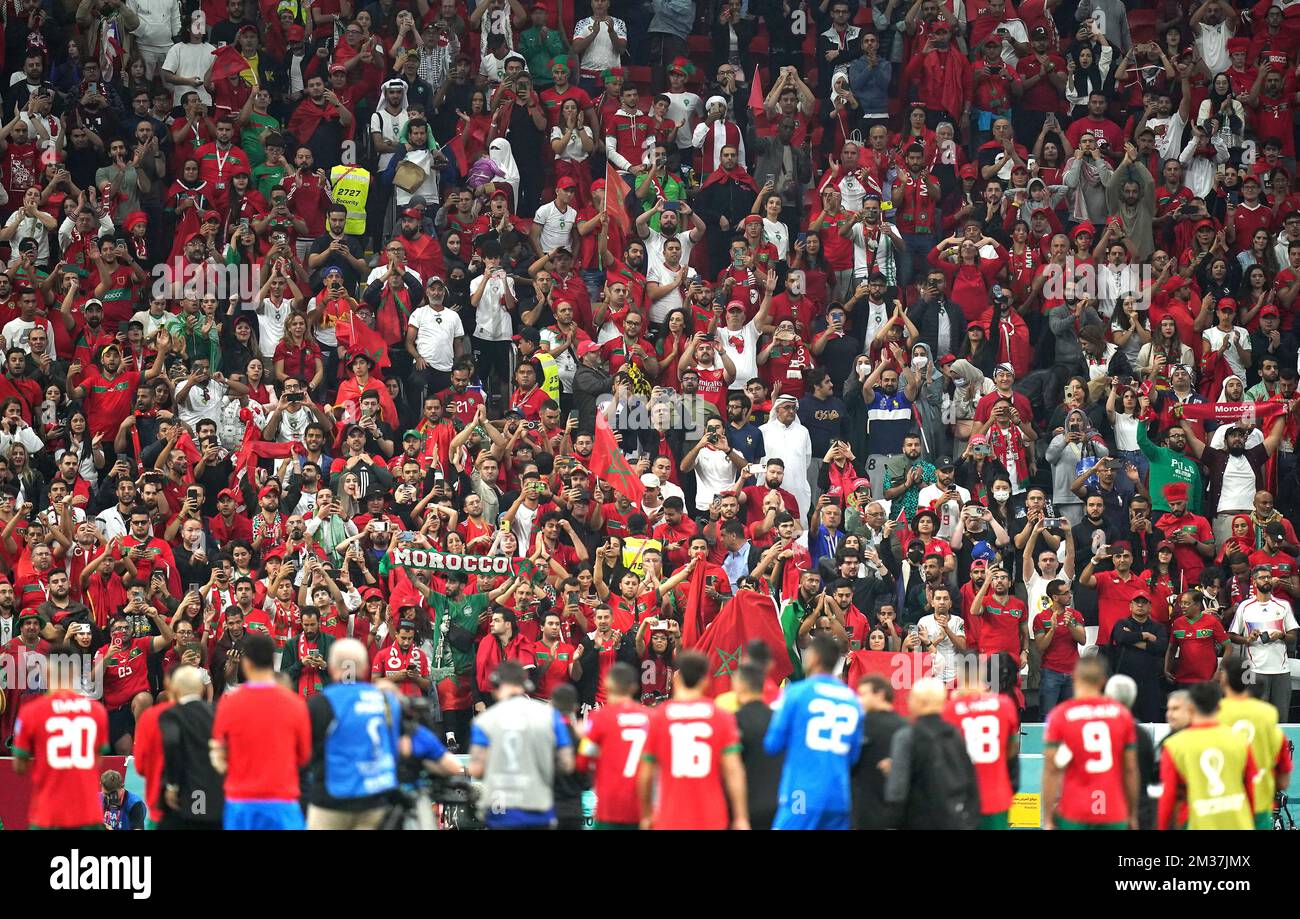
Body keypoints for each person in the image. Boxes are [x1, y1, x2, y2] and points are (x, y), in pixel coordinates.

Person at [307, 638, 463, 830]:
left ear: (331, 667)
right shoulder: (387, 702)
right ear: (365, 668)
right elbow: (406, 746)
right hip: (376, 802)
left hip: (331, 803)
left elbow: (303, 754)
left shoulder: (319, 703)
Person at [209, 633, 312, 831]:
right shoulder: (296, 704)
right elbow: (304, 756)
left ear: (246, 664)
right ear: (272, 659)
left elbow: (219, 757)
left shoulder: (228, 705)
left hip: (241, 802)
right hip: (282, 800)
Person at [638, 650, 748, 830]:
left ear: (676, 678)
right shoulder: (721, 717)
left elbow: (645, 773)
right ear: (706, 680)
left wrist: (646, 814)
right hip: (711, 818)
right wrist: (741, 817)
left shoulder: (658, 717)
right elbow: (734, 771)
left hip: (670, 818)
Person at [763, 635, 862, 830]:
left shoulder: (797, 692)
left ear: (814, 658)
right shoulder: (852, 700)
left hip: (802, 793)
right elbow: (854, 756)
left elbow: (772, 744)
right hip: (839, 796)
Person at [11, 647, 110, 830]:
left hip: (48, 812)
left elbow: (19, 766)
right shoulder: (97, 711)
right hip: (87, 811)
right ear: (74, 673)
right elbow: (97, 760)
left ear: (45, 672)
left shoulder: (30, 712)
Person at [468, 660, 575, 829]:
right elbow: (566, 764)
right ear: (525, 685)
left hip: (499, 809)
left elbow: (476, 769)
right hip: (537, 806)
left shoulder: (484, 721)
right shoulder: (550, 716)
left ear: (496, 685)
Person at [1042, 656, 1139, 830]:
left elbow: (1052, 769)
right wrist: (1132, 814)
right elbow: (1130, 769)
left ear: (1075, 676)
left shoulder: (1060, 715)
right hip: (1113, 810)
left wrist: (1048, 817)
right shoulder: (1122, 715)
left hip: (1074, 810)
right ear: (1103, 680)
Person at [883, 677, 981, 830]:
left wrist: (891, 821)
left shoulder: (906, 736)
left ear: (920, 702)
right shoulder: (955, 735)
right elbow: (970, 780)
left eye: (911, 697)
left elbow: (897, 790)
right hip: (952, 818)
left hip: (917, 819)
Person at [1157, 680, 1256, 831]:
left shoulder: (1174, 745)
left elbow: (1168, 795)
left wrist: (1162, 826)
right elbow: (1251, 785)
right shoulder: (1240, 740)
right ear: (1219, 707)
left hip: (1196, 821)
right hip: (1237, 821)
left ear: (1190, 708)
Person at [942, 655, 1020, 829]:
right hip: (996, 796)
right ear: (984, 674)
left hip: (962, 799)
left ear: (960, 676)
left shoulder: (950, 710)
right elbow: (1012, 751)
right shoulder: (1004, 704)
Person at [1218, 655, 1292, 831]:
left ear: (1226, 678)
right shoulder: (1267, 714)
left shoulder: (1215, 713)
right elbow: (1282, 767)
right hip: (1259, 801)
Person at [577, 661, 650, 830]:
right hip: (642, 807)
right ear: (633, 687)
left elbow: (583, 762)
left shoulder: (599, 718)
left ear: (607, 684)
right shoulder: (650, 717)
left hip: (609, 807)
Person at [1228, 564, 1299, 721]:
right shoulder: (1245, 607)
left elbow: (1293, 635)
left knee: (1281, 720)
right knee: (1256, 720)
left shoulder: (1283, 605)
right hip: (1254, 670)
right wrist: (1247, 639)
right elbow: (1232, 635)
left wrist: (1281, 635)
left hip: (1281, 670)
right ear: (1254, 581)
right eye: (1262, 577)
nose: (1266, 580)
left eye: (1268, 577)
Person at [158, 665, 225, 830]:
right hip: (218, 795)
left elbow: (172, 743)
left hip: (192, 795)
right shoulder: (218, 711)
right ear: (202, 687)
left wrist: (172, 785)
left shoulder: (172, 714)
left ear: (174, 689)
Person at [733, 660, 783, 830]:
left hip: (746, 808)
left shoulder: (733, 721)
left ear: (739, 685)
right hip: (779, 806)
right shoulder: (779, 720)